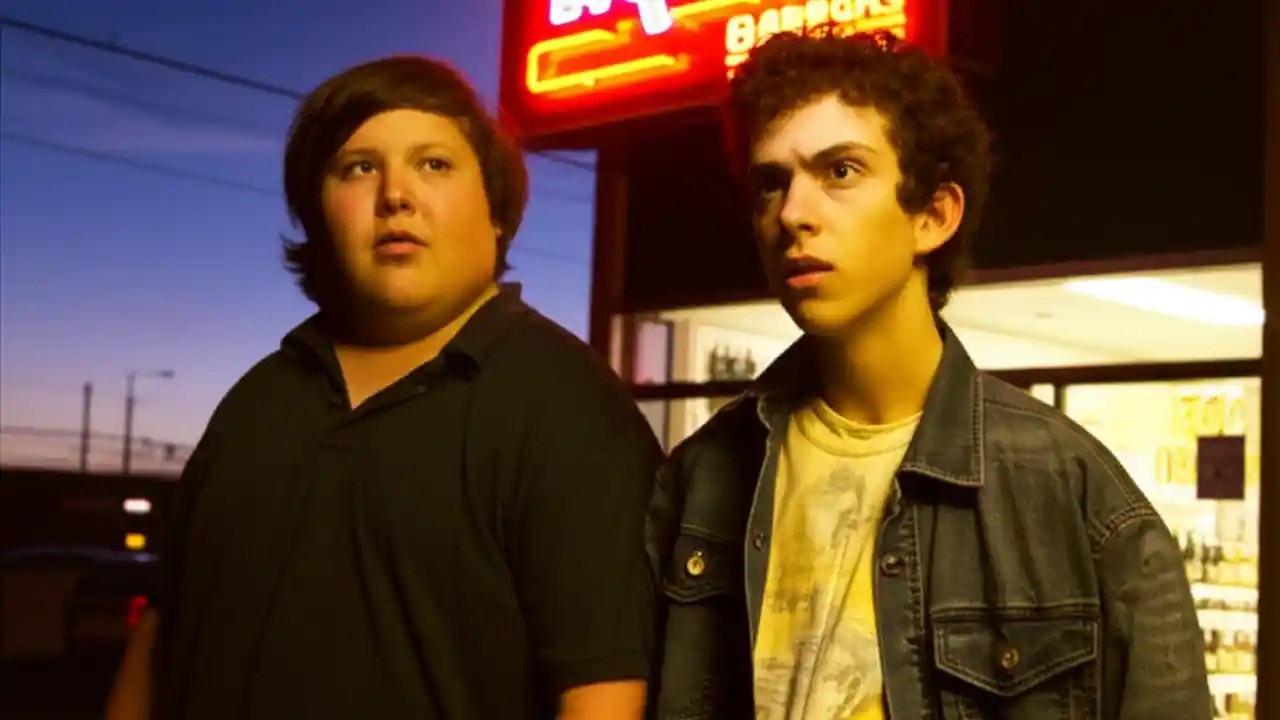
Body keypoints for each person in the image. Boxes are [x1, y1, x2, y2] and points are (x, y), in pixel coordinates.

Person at [646, 29, 1211, 720]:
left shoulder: (1070, 492)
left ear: (933, 215)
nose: (792, 214)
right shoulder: (703, 479)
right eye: (771, 183)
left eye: (840, 171)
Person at [105, 55, 661, 720]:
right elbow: (159, 640)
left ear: (495, 213)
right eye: (360, 167)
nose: (396, 194)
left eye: (434, 164)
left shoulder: (568, 404)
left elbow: (606, 693)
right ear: (318, 213)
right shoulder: (256, 400)